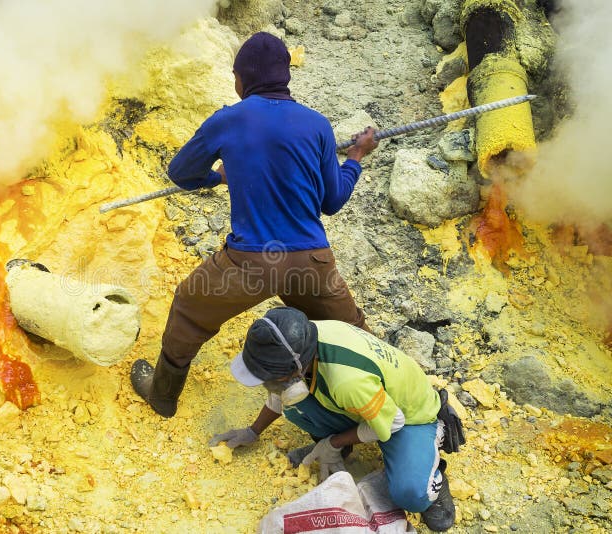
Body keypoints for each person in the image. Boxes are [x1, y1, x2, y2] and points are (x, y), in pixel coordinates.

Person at [131, 32, 379, 418]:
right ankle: (393, 391)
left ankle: (162, 396)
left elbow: (180, 172)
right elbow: (332, 202)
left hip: (250, 264)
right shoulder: (317, 125)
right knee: (353, 332)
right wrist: (356, 158)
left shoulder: (228, 120)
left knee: (188, 309)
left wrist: (218, 178)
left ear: (241, 78)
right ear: (284, 78)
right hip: (311, 263)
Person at [210, 307, 461, 532]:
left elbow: (393, 422)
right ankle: (344, 442)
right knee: (294, 403)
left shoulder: (347, 381)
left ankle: (433, 476)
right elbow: (281, 392)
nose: (265, 384)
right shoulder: (303, 341)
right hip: (369, 400)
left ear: (295, 371)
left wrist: (333, 443)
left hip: (409, 416)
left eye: (268, 378)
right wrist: (253, 431)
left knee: (410, 494)